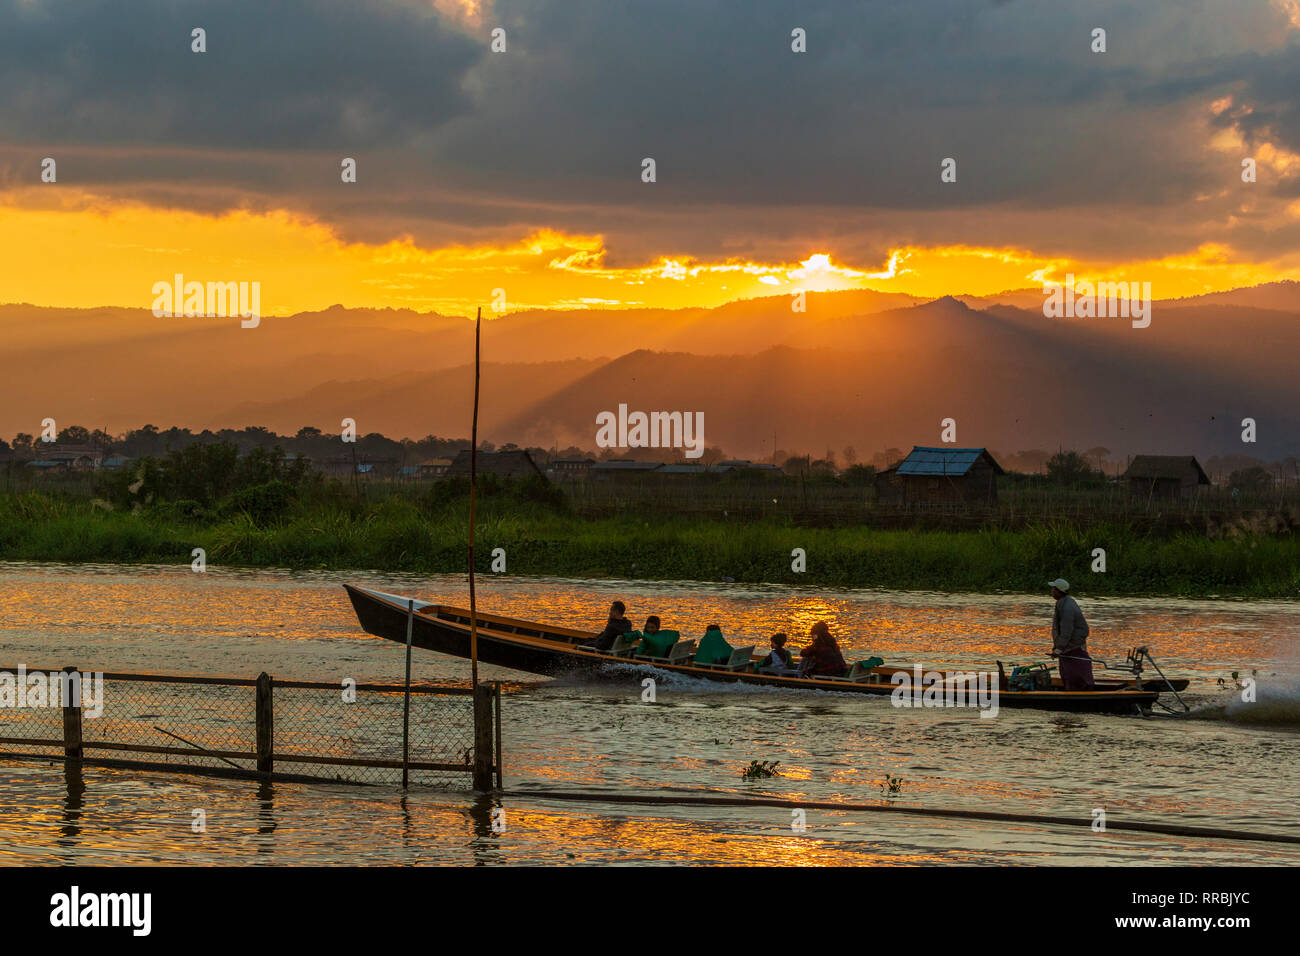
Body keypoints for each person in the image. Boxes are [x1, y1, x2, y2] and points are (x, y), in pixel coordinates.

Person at [1048, 578, 1095, 690]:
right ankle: (1071, 687)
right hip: (1070, 643)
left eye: (1054, 589)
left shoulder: (1067, 607)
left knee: (1076, 666)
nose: (1052, 591)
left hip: (1074, 643)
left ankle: (1081, 688)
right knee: (1068, 668)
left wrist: (1059, 649)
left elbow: (1066, 631)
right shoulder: (1063, 602)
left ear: (1059, 591)